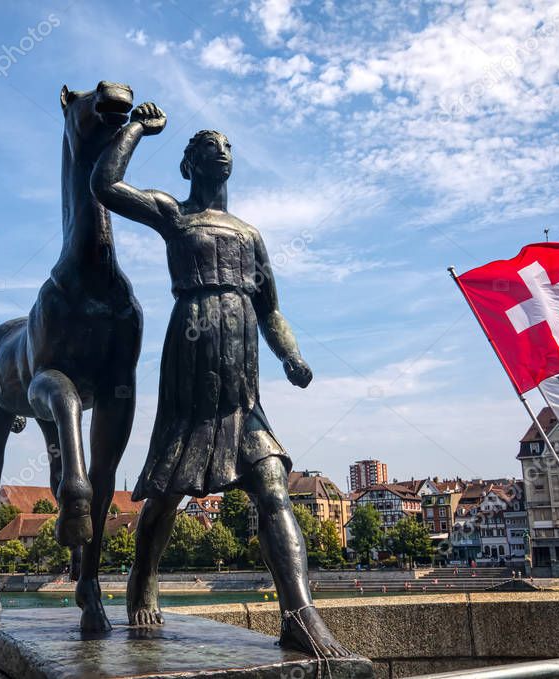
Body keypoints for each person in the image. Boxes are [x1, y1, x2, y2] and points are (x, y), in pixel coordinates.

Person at [91, 102, 349, 658]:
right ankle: (143, 577)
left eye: (227, 145)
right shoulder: (173, 214)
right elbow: (105, 186)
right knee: (167, 491)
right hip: (189, 371)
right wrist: (137, 128)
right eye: (210, 145)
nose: (222, 151)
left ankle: (299, 615)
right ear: (190, 164)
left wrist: (291, 357)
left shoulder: (250, 235)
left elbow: (271, 309)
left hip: (242, 386)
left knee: (272, 484)